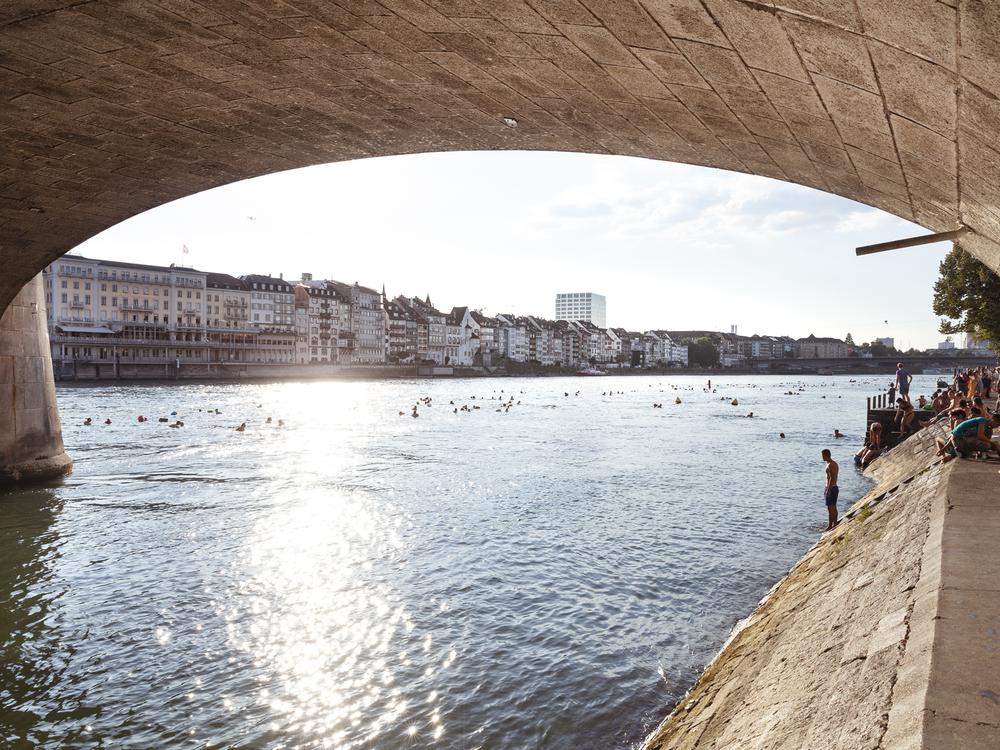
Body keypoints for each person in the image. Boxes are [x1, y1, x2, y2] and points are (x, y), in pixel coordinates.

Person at [822, 449, 839, 531]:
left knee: (831, 507)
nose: (822, 457)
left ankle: (832, 525)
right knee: (831, 507)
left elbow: (831, 478)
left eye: (822, 455)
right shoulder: (832, 463)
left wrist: (828, 490)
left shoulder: (831, 465)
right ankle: (832, 525)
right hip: (832, 487)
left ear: (825, 455)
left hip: (832, 488)